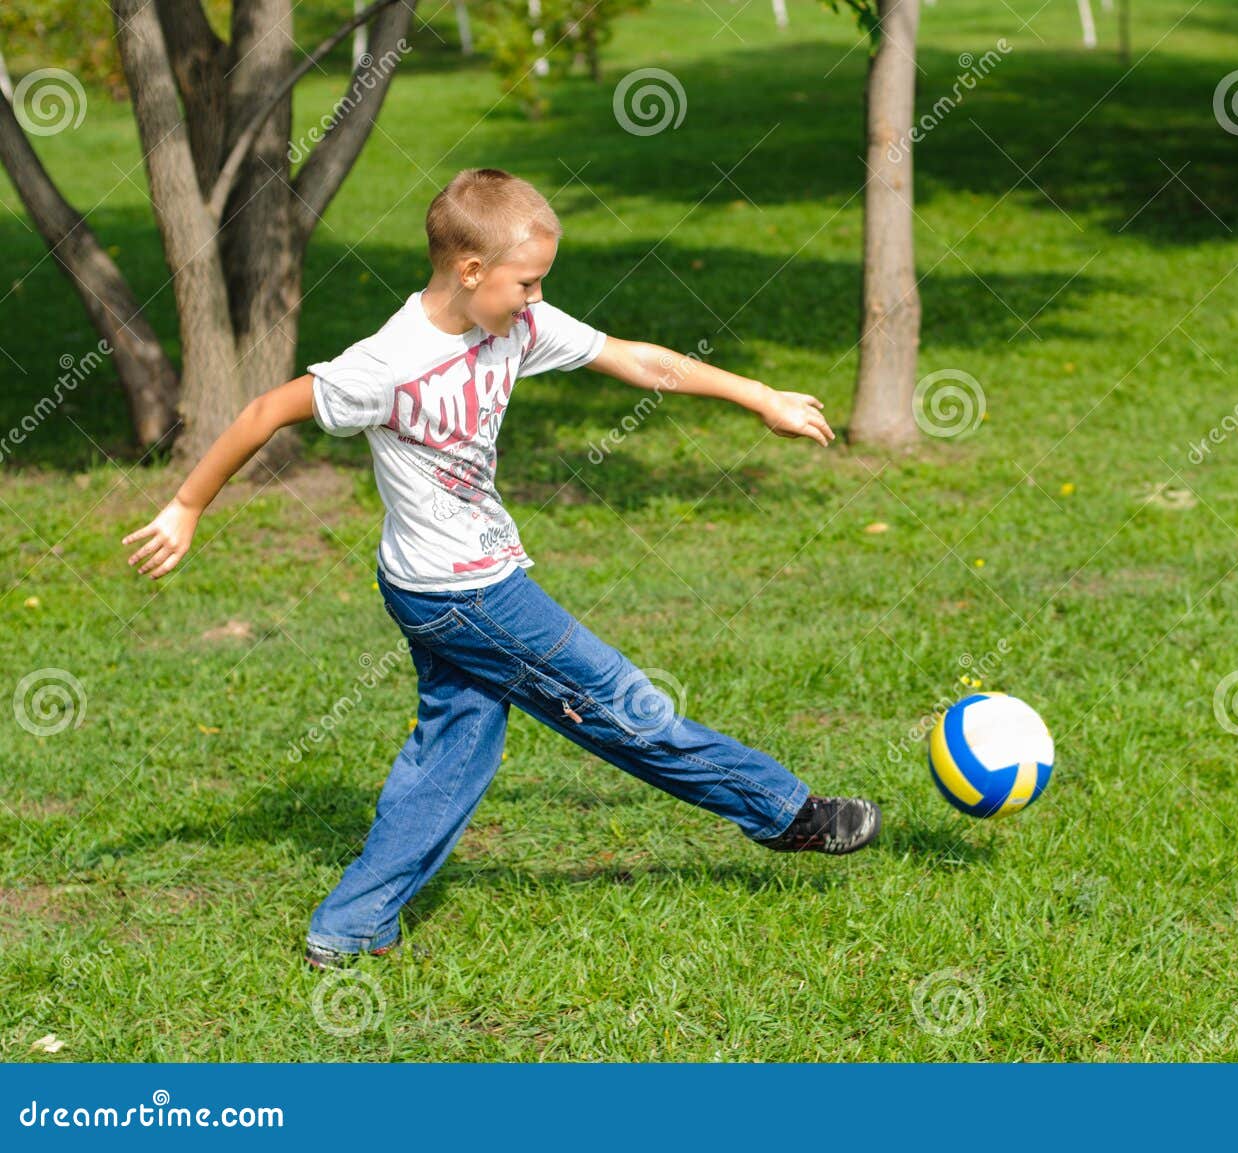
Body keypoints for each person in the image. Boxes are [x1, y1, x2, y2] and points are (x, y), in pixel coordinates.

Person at [120, 168, 882, 971]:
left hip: (434, 584)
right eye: (528, 281)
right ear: (469, 270)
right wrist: (187, 506)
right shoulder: (390, 362)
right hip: (467, 593)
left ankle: (352, 922)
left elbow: (632, 358)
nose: (536, 297)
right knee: (625, 706)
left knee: (456, 747)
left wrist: (757, 393)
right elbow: (263, 412)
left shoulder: (513, 325)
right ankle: (787, 812)